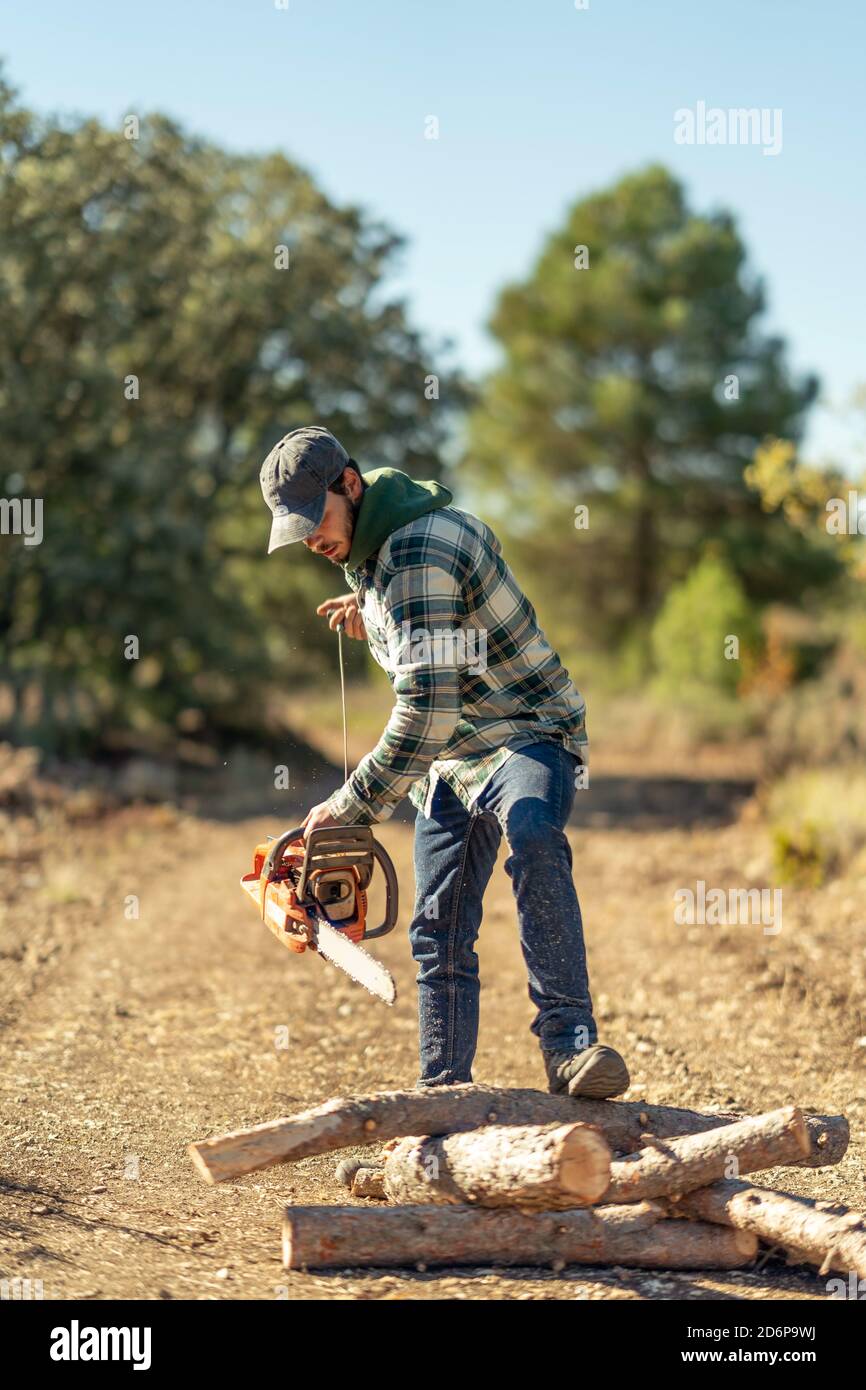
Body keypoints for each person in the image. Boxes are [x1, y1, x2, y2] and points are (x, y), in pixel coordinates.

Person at [259, 424, 630, 1099]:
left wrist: (349, 807)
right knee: (437, 926)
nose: (311, 539)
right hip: (451, 760)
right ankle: (445, 1093)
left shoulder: (419, 551)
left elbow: (428, 707)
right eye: (299, 529)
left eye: (316, 519)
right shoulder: (380, 551)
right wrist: (368, 608)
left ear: (350, 482)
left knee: (534, 834)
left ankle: (571, 1046)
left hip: (523, 732)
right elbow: (417, 614)